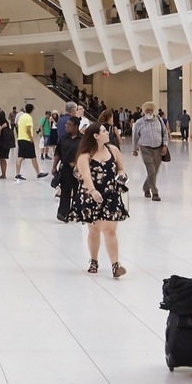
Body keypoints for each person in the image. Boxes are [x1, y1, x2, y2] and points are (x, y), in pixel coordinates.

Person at [71, 120, 129, 276]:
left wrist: (122, 175)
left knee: (110, 230)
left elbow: (121, 168)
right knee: (94, 230)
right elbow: (86, 176)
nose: (107, 133)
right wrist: (93, 191)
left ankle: (115, 265)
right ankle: (94, 260)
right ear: (96, 136)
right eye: (103, 131)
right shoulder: (85, 155)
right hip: (92, 196)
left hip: (111, 194)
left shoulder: (114, 150)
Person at [132, 102, 168, 200]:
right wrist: (134, 149)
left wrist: (165, 145)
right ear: (144, 111)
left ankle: (146, 187)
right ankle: (155, 192)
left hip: (158, 149)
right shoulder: (139, 122)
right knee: (151, 170)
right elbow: (135, 137)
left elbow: (165, 133)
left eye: (151, 110)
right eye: (148, 110)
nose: (150, 112)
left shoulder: (159, 120)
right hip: (146, 149)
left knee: (154, 171)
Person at [14, 101, 39, 178]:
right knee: (33, 157)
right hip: (27, 139)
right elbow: (28, 129)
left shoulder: (21, 116)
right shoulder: (28, 117)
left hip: (20, 138)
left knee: (20, 156)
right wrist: (31, 138)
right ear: (31, 110)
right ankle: (38, 173)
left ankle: (17, 174)